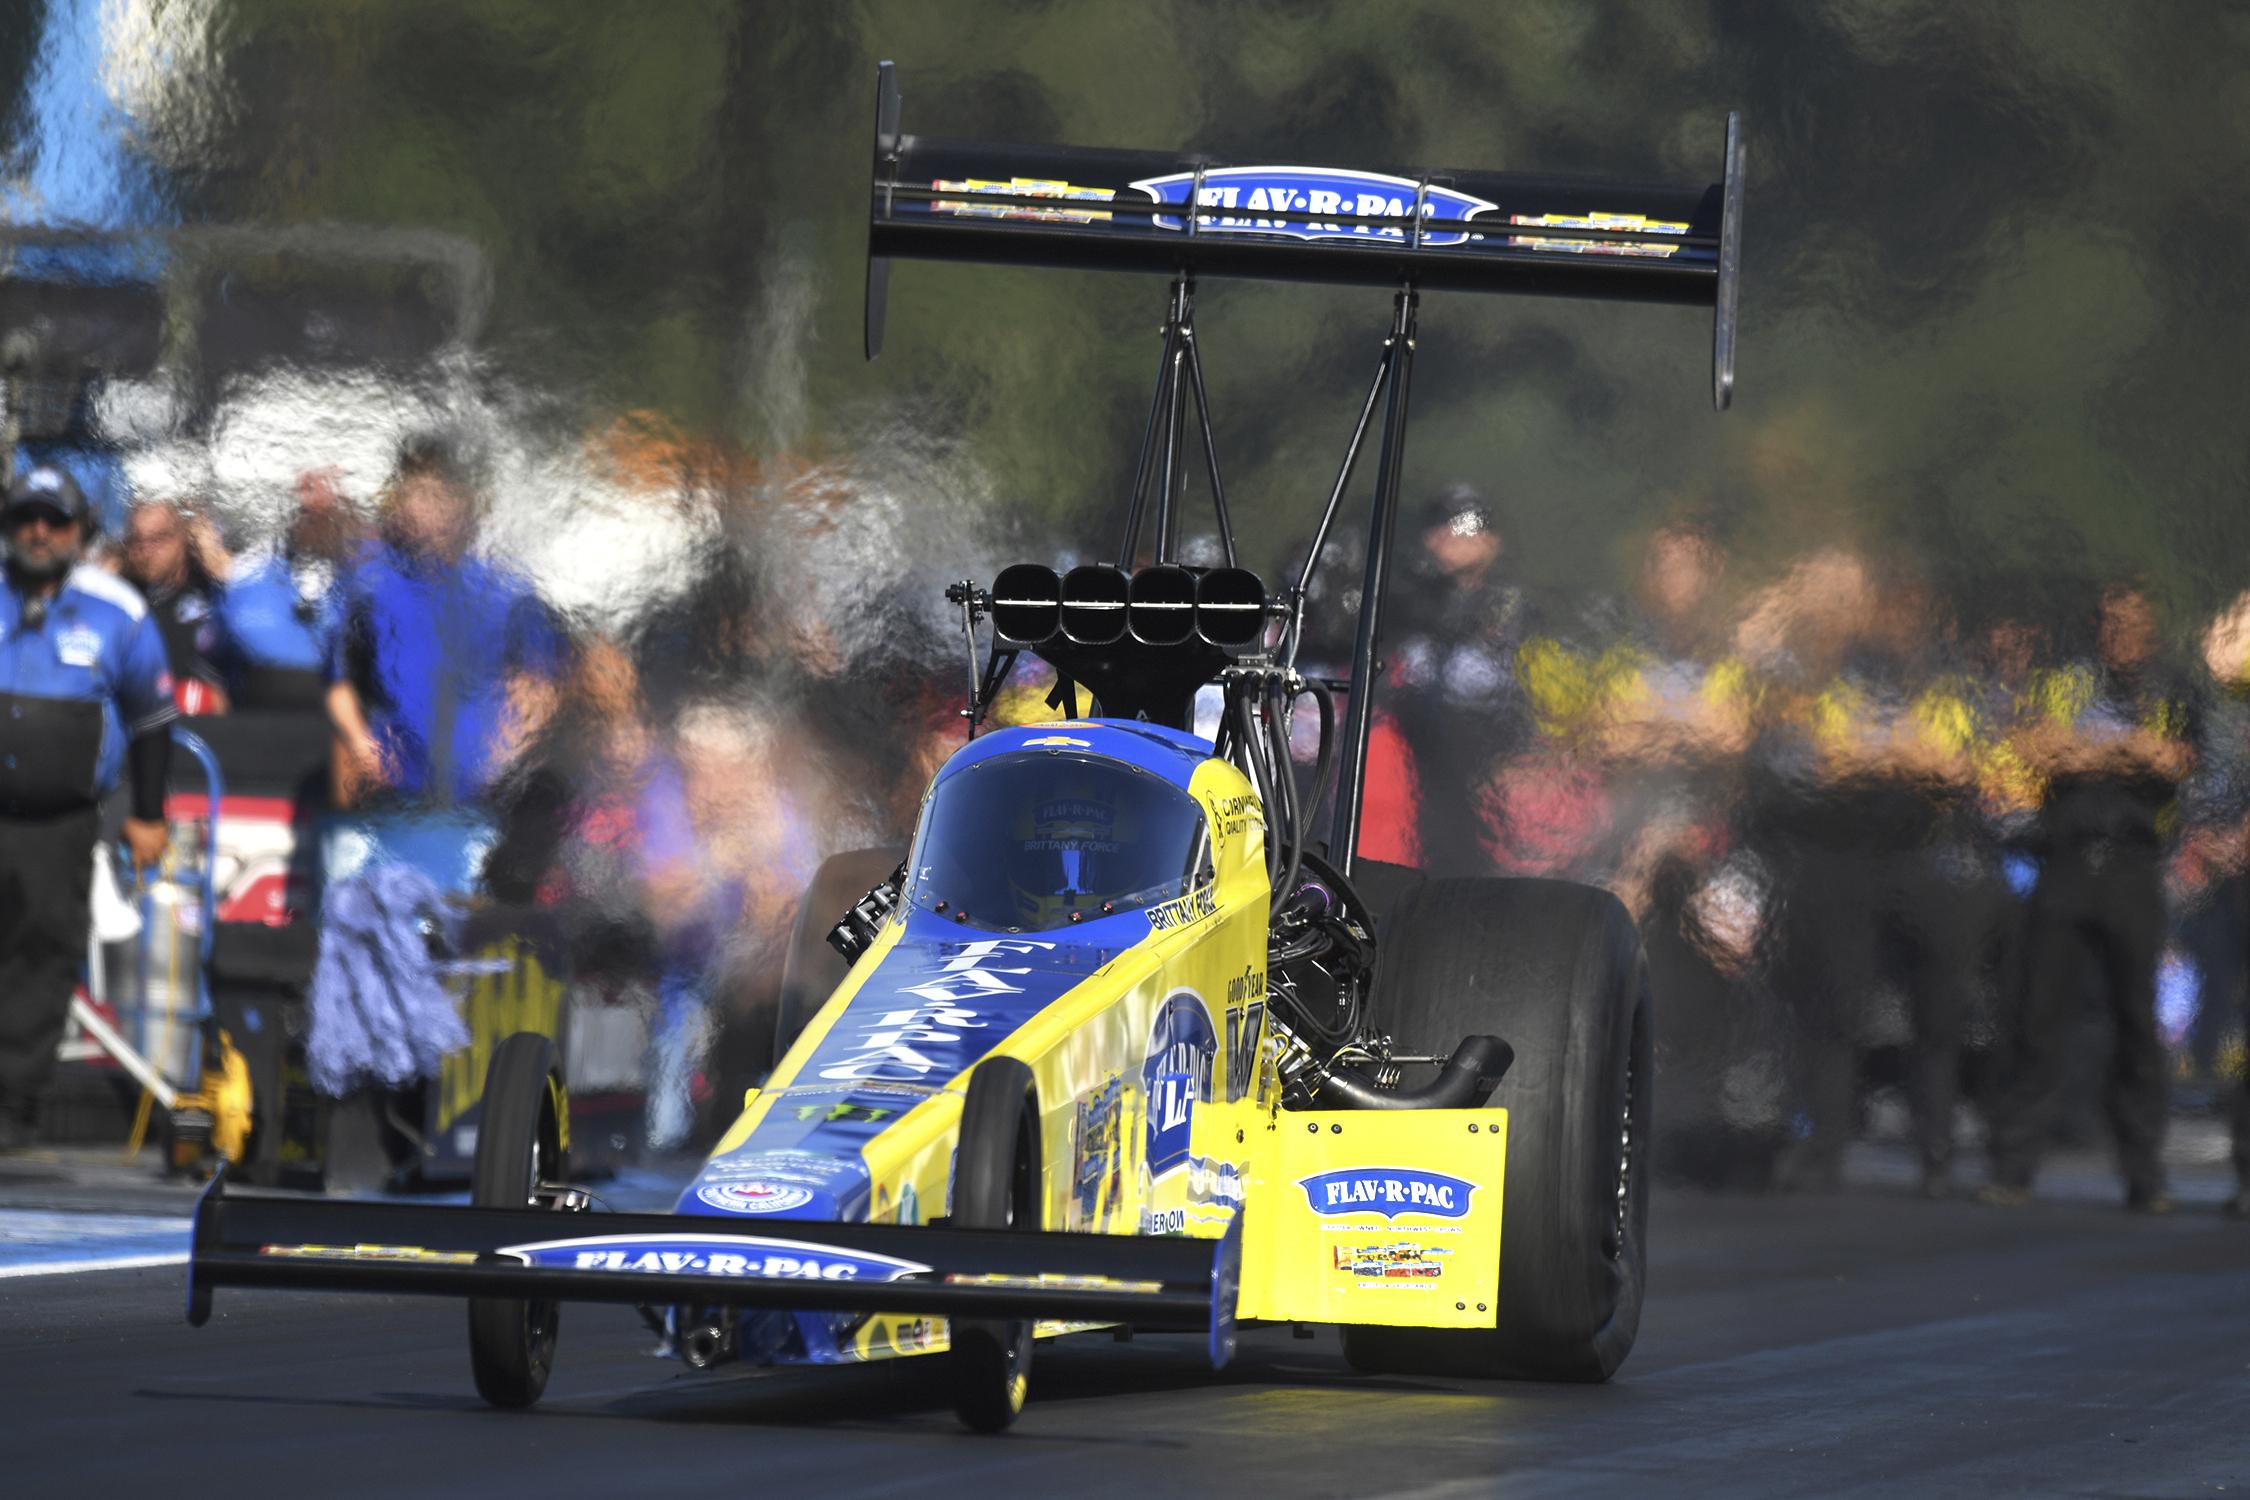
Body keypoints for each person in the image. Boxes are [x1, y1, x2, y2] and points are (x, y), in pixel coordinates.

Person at [1984, 585, 2190, 1212]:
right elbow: (2034, 747)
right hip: (2066, 863)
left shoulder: (2170, 691)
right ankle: (2013, 1168)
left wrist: (2090, 751)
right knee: (2037, 1016)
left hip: (2133, 866)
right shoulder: (2063, 686)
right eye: (2110, 622)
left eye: (2132, 622)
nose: (2120, 634)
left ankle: (2145, 1176)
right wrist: (2125, 750)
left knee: (2136, 1025)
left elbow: (2174, 760)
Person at [0, 464, 174, 1149]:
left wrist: (149, 814)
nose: (39, 532)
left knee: (43, 952)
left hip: (61, 821)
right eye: (26, 518)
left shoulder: (116, 610)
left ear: (79, 531)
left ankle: (13, 1106)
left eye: (55, 520)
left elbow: (153, 718)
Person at [326, 436, 567, 808]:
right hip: (392, 797)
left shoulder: (507, 591)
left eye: (439, 494)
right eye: (414, 493)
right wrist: (362, 745)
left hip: (483, 801)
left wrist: (505, 756)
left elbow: (542, 684)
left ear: (466, 503)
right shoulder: (370, 586)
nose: (424, 507)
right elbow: (340, 685)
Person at [209, 467, 358, 711]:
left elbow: (342, 679)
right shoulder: (248, 578)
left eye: (325, 515)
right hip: (250, 714)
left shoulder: (356, 582)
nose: (315, 524)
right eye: (306, 513)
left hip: (326, 716)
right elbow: (215, 668)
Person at [118, 494, 227, 714]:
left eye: (158, 539)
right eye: (136, 540)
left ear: (183, 537)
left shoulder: (213, 594)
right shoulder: (121, 600)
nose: (146, 550)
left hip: (211, 722)